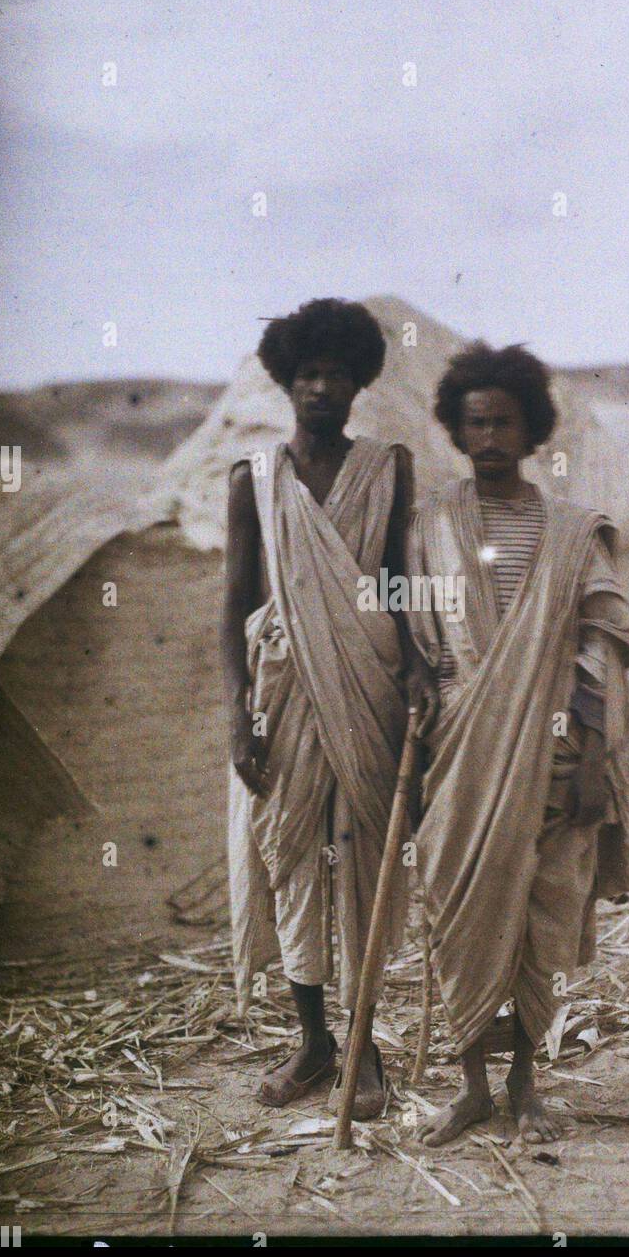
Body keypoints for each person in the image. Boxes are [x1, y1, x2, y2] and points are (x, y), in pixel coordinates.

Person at [406, 342, 629, 1146]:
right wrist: (417, 684)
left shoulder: (572, 529)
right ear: (455, 426)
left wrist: (592, 754)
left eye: (503, 421)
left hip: (554, 747)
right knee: (461, 912)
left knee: (538, 917)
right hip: (458, 748)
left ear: (532, 428)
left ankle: (526, 1085)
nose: (488, 437)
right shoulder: (428, 526)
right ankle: (473, 1086)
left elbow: (600, 645)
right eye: (474, 422)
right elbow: (414, 635)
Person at [221, 297, 436, 1118]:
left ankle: (366, 1046)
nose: (321, 387)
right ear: (286, 379)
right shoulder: (256, 479)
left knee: (367, 862)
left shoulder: (389, 468)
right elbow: (232, 603)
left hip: (370, 686)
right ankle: (313, 1046)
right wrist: (237, 713)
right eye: (307, 372)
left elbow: (398, 577)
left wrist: (416, 661)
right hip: (283, 696)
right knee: (291, 862)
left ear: (357, 381)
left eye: (336, 373)